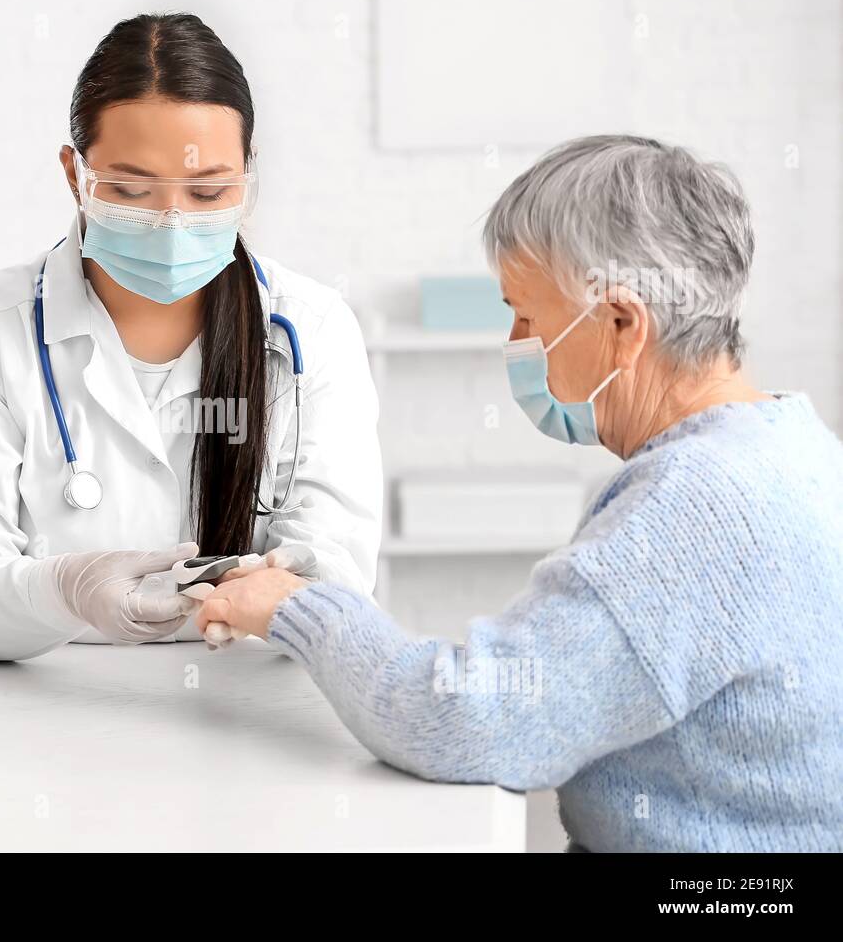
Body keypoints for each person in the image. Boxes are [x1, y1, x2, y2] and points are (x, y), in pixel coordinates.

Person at [197, 135, 843, 852]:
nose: (516, 340)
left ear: (623, 324)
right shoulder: (793, 442)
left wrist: (294, 605)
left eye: (527, 316)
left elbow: (465, 720)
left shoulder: (695, 510)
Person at [0, 13, 382, 661]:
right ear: (75, 175)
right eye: (131, 189)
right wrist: (64, 590)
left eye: (209, 190)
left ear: (248, 173)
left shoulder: (312, 330)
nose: (173, 222)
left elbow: (341, 575)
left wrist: (297, 584)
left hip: (249, 701)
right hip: (47, 711)